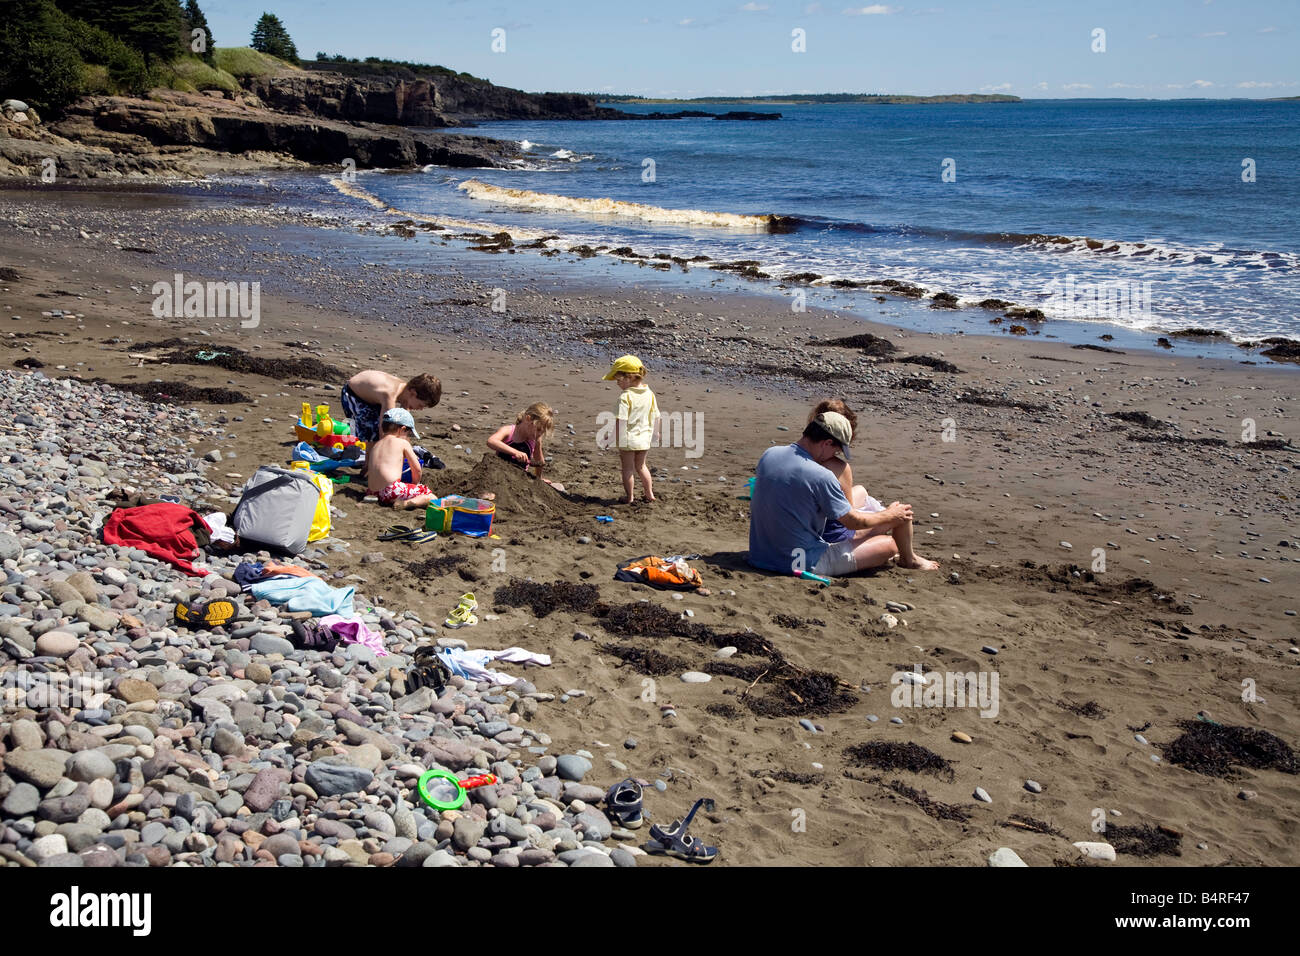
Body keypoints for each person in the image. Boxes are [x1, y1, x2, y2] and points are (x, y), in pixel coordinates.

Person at [748, 411, 938, 577]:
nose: (835, 456)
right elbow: (852, 522)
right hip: (797, 562)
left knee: (875, 509)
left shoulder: (769, 454)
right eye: (837, 450)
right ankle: (908, 559)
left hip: (760, 555)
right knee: (889, 544)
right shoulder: (821, 475)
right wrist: (889, 515)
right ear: (827, 443)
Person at [603, 354, 659, 504]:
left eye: (618, 379)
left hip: (628, 439)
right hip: (644, 438)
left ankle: (629, 497)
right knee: (641, 466)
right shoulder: (649, 393)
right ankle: (649, 494)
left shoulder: (625, 397)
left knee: (627, 469)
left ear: (629, 377)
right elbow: (656, 415)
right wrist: (656, 433)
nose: (617, 383)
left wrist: (610, 437)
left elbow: (621, 421)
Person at [341, 370, 441, 445]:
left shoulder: (405, 391)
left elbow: (402, 421)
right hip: (352, 394)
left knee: (386, 426)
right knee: (373, 430)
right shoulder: (390, 396)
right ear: (413, 393)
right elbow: (384, 431)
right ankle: (369, 465)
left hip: (372, 397)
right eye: (420, 405)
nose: (420, 409)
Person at [487, 403, 565, 491]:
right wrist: (515, 452)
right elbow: (491, 441)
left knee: (558, 488)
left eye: (542, 432)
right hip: (499, 475)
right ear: (528, 419)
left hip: (520, 479)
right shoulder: (509, 431)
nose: (539, 434)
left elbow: (539, 461)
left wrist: (538, 479)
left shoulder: (536, 439)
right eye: (538, 429)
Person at [368, 408, 436, 510]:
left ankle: (394, 499)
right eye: (408, 434)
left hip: (372, 492)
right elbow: (417, 469)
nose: (408, 438)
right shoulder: (403, 443)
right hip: (391, 490)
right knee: (432, 497)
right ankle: (407, 503)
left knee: (396, 489)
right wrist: (415, 484)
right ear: (402, 429)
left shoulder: (376, 445)